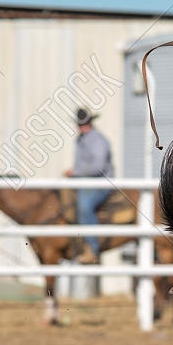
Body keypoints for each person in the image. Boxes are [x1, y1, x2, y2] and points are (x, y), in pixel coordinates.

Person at [64, 108, 112, 264]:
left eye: (84, 123)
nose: (82, 126)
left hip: (101, 182)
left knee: (85, 205)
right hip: (84, 181)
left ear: (90, 123)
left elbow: (98, 166)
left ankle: (92, 248)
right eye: (80, 124)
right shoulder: (80, 140)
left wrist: (75, 172)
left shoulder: (99, 140)